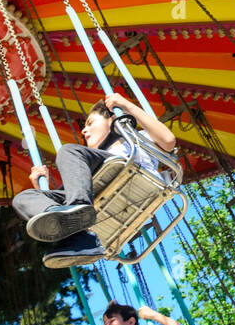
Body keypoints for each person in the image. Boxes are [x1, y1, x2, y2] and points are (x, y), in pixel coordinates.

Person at [11, 93, 177, 268]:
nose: (84, 131)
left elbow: (168, 141)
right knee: (22, 198)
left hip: (131, 173)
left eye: (90, 123)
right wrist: (40, 189)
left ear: (111, 121)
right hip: (97, 192)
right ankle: (80, 235)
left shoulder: (134, 139)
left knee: (68, 151)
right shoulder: (84, 172)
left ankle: (78, 209)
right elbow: (68, 190)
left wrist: (125, 105)